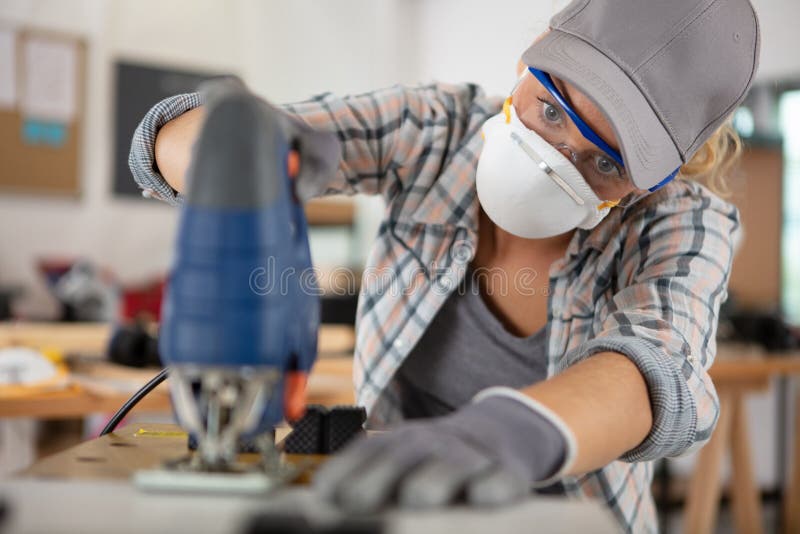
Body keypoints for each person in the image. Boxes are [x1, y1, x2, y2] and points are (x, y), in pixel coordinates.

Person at [129, 0, 760, 531]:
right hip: (390, 505)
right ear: (532, 56)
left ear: (656, 175)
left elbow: (657, 369)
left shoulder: (680, 221)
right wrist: (241, 151)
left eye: (605, 163)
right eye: (549, 109)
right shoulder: (434, 131)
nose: (556, 159)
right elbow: (167, 144)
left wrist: (512, 432)